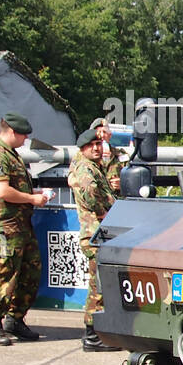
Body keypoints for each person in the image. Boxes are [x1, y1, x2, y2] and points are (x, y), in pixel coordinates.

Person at [0, 113, 48, 345]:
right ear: (11, 131)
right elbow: (2, 191)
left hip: (21, 226)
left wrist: (34, 197)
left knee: (31, 272)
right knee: (4, 274)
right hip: (5, 226)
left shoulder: (13, 155)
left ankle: (15, 319)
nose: (26, 138)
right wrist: (31, 199)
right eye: (23, 134)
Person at [68, 129, 117, 352]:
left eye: (99, 144)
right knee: (98, 286)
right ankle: (92, 335)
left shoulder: (91, 166)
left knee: (100, 283)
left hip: (99, 234)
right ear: (83, 148)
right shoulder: (85, 168)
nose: (97, 148)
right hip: (95, 233)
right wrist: (105, 212)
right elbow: (89, 191)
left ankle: (97, 332)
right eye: (92, 145)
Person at [90, 117, 124, 193]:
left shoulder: (121, 155)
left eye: (105, 132)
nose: (102, 135)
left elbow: (132, 180)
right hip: (97, 201)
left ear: (110, 135)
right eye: (98, 132)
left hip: (117, 201)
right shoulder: (86, 156)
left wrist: (123, 184)